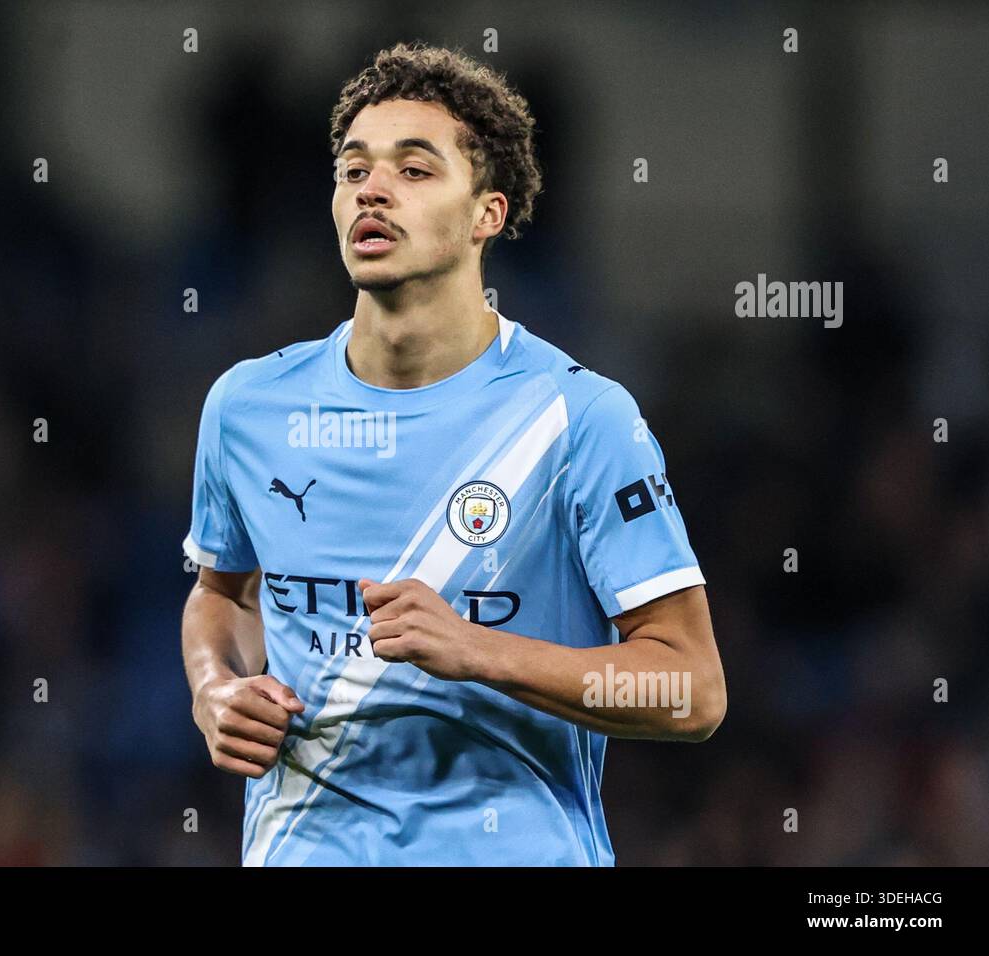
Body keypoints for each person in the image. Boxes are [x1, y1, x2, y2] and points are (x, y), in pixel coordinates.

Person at [181, 41, 725, 866]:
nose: (372, 188)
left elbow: (692, 688)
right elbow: (223, 592)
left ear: (487, 215)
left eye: (414, 169)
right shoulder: (248, 408)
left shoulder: (578, 420)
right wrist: (215, 688)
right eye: (353, 169)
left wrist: (480, 651)